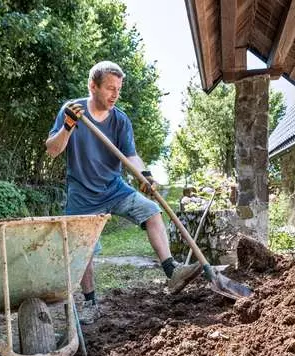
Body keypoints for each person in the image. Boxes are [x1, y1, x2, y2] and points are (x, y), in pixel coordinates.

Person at [46, 61, 202, 324]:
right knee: (85, 250)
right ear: (92, 86)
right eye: (110, 88)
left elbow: (131, 156)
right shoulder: (71, 111)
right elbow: (52, 149)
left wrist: (146, 175)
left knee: (152, 213)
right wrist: (68, 127)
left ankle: (172, 271)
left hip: (114, 188)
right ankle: (90, 302)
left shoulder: (120, 120)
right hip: (82, 194)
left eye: (118, 89)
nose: (115, 94)